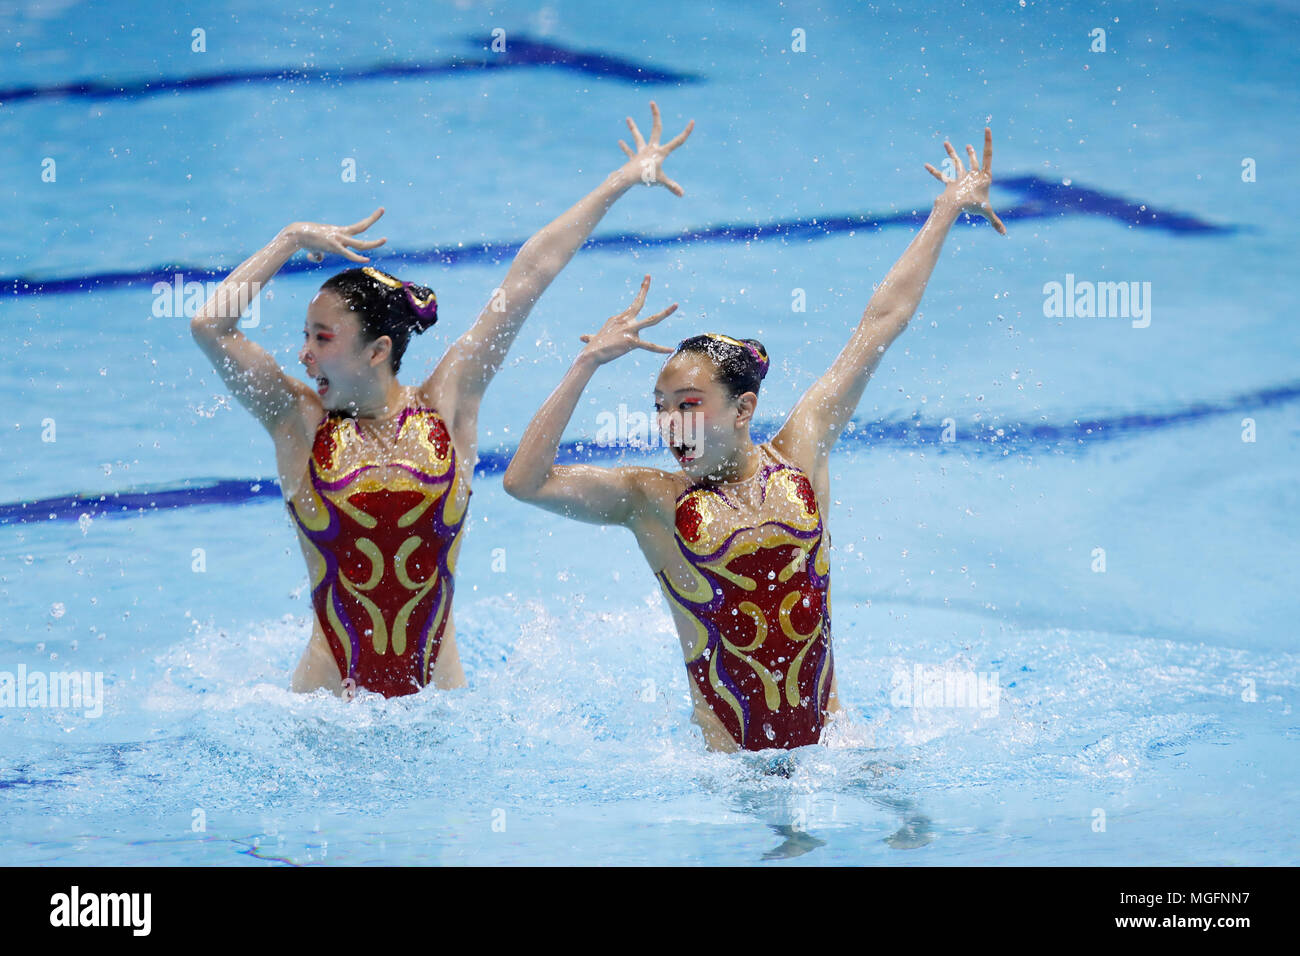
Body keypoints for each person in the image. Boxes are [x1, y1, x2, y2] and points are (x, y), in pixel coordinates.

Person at [503, 128, 1006, 751]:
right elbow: (525, 483)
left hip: (836, 749)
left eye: (689, 405)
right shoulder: (650, 500)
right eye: (660, 409)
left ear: (744, 408)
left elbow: (882, 322)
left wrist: (947, 208)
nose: (671, 424)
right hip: (732, 779)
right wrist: (586, 365)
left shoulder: (800, 451)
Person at [190, 103, 693, 698]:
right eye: (304, 338)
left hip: (442, 713)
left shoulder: (448, 404)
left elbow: (528, 275)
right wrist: (291, 239)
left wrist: (624, 178)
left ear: (377, 351)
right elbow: (210, 327)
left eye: (321, 339)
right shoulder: (296, 420)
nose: (303, 355)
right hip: (325, 712)